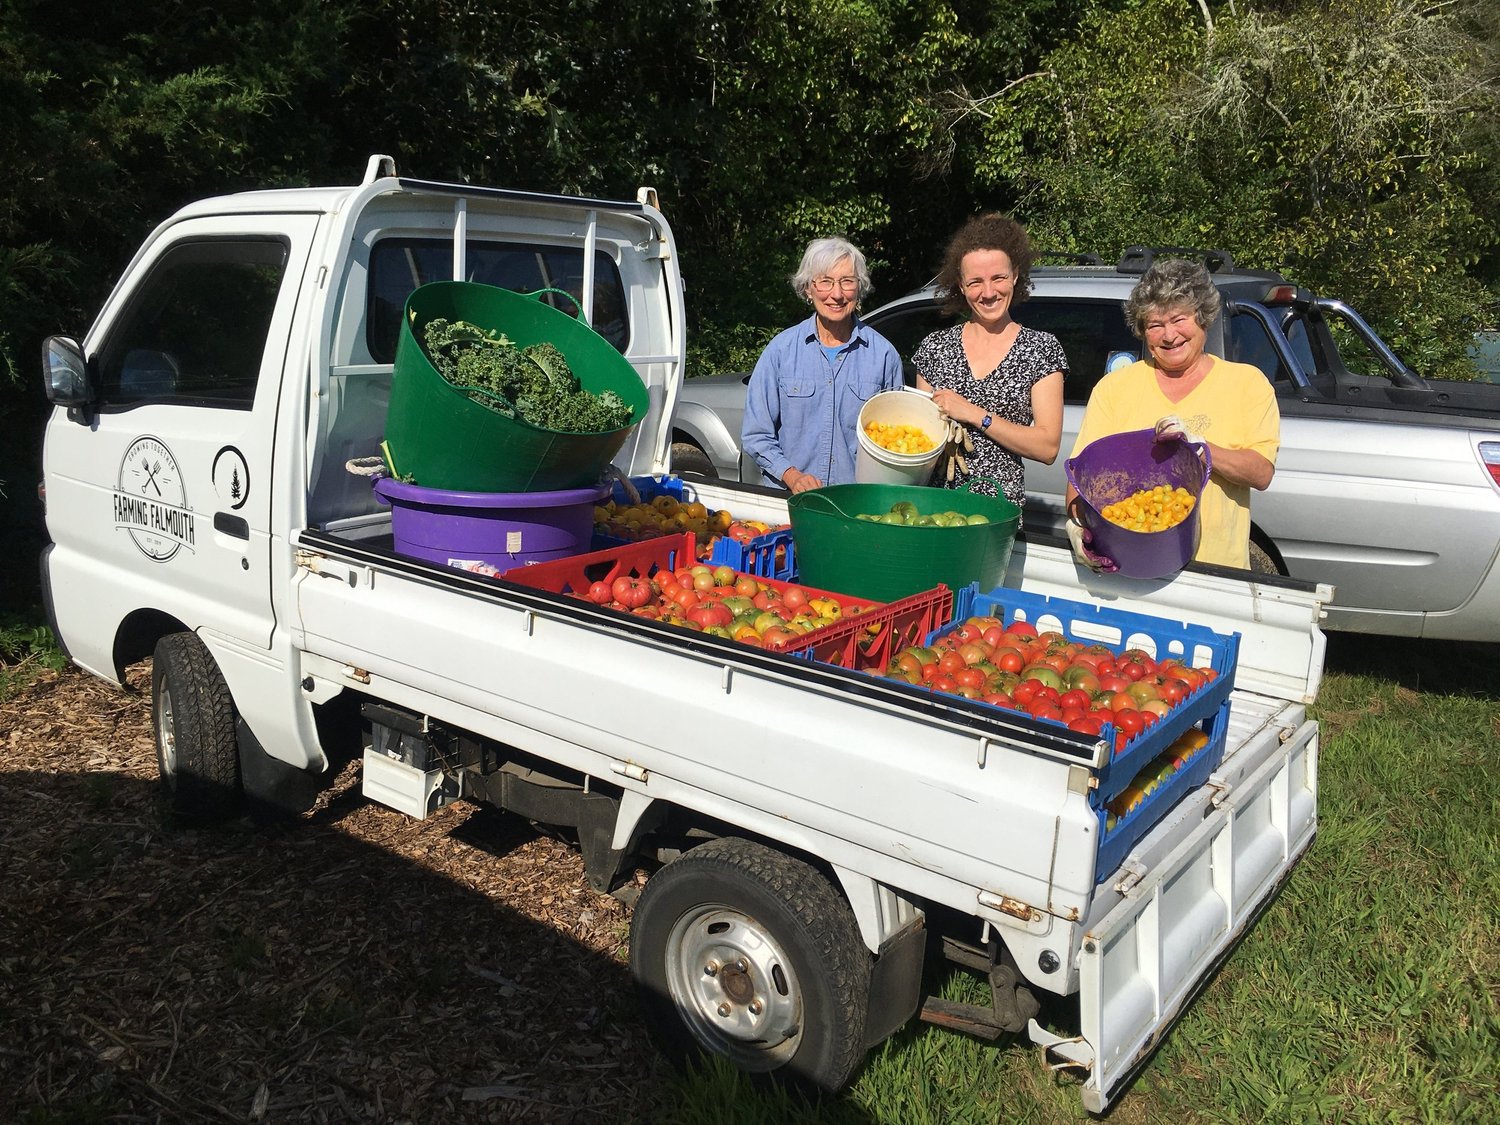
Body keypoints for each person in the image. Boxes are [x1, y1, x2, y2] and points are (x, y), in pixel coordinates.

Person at [1065, 258, 1280, 572]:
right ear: (1143, 332)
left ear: (1203, 318)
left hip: (1217, 574)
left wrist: (1199, 447)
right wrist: (1076, 526)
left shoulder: (1247, 384)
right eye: (1155, 325)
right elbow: (1080, 480)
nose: (1169, 335)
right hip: (1130, 569)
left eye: (1179, 319)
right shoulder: (1114, 388)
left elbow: (1261, 473)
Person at [912, 213, 1066, 508]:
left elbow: (1047, 448)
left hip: (996, 512)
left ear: (1016, 276)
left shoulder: (1041, 350)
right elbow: (920, 436)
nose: (988, 292)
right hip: (934, 510)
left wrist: (974, 414)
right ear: (960, 285)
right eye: (976, 282)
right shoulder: (935, 348)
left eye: (999, 278)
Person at [742, 238, 904, 492]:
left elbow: (896, 442)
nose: (837, 294)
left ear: (859, 288)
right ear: (808, 288)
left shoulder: (883, 356)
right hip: (791, 502)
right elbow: (756, 434)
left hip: (855, 505)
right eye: (825, 281)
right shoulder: (781, 351)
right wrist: (792, 475)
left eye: (847, 282)